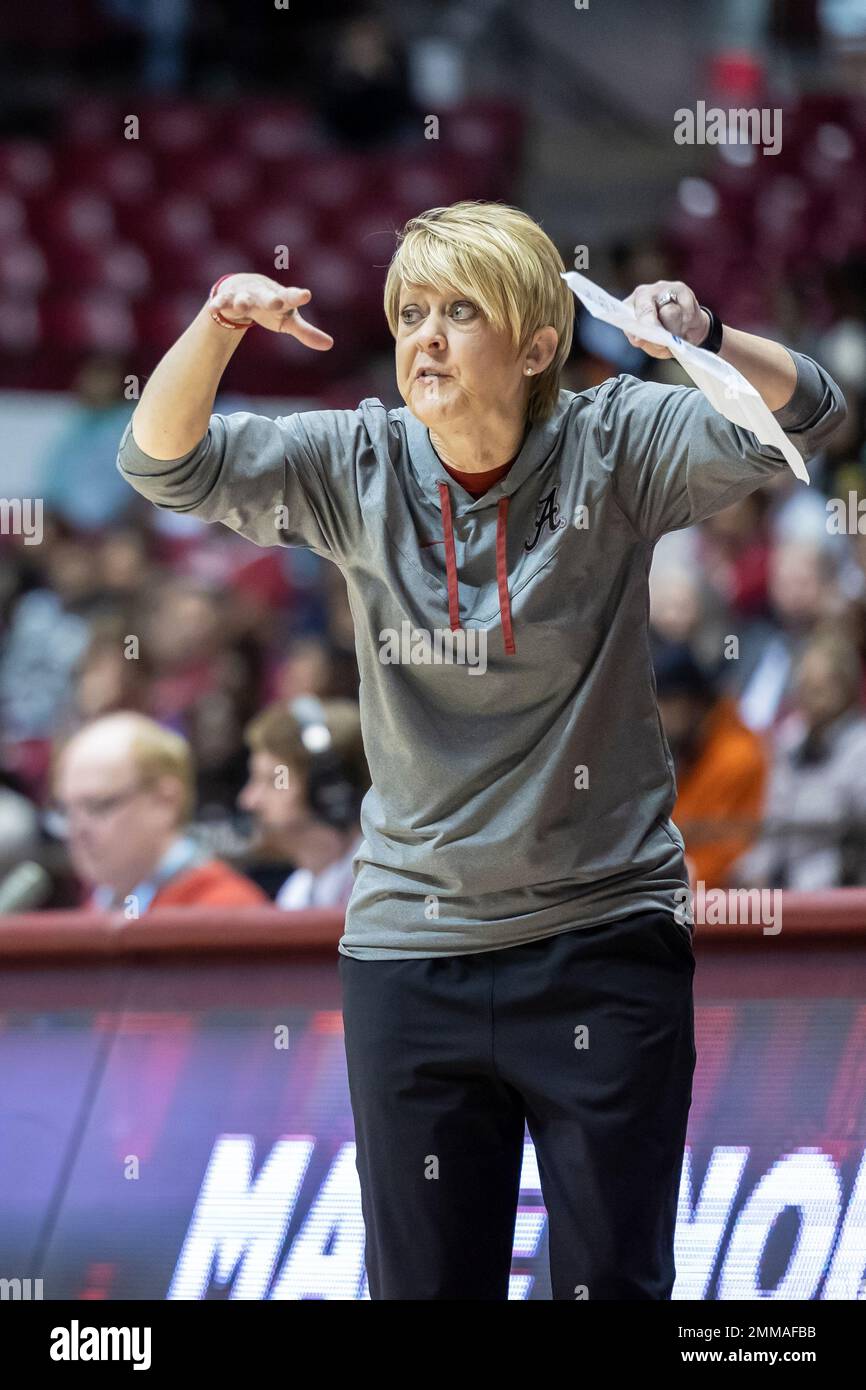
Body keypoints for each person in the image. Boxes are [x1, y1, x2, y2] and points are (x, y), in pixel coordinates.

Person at [116, 202, 845, 1300]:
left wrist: (701, 336)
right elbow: (161, 463)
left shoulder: (613, 442)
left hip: (601, 942)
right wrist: (219, 321)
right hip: (412, 955)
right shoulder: (352, 459)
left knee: (613, 1284)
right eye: (411, 311)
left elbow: (808, 412)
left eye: (461, 311)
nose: (426, 337)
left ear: (539, 344)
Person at [54, 712, 267, 912]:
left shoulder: (227, 911)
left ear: (165, 801)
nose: (77, 829)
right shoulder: (96, 910)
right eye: (66, 811)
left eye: (98, 806)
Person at [735, 631, 866, 889]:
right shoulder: (788, 740)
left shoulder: (861, 748)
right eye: (804, 686)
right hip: (785, 884)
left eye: (820, 688)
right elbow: (774, 820)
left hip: (842, 889)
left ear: (847, 689)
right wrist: (753, 870)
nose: (810, 697)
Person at [653, 640, 767, 890]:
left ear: (694, 702)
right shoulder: (685, 748)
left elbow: (726, 852)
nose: (659, 714)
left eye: (667, 702)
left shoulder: (737, 756)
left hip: (726, 905)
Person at [239, 697, 367, 909]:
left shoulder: (386, 888)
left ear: (329, 791)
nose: (248, 801)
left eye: (271, 780)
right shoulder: (294, 892)